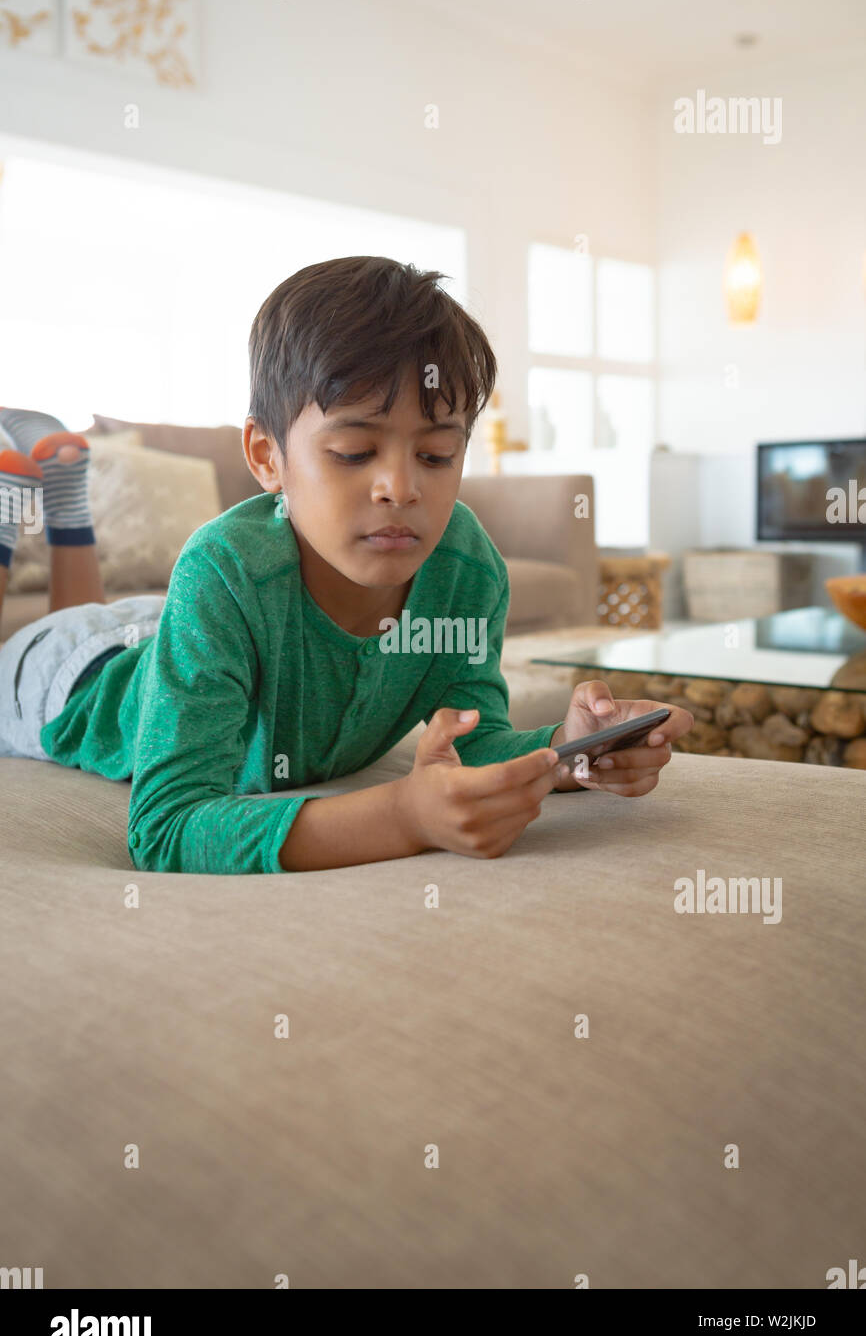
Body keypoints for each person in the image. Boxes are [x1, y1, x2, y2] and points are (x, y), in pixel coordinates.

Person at [0, 256, 693, 874]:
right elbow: (166, 826)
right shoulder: (222, 569)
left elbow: (474, 741)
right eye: (356, 452)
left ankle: (57, 505)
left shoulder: (466, 569)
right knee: (58, 633)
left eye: (435, 455)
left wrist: (568, 750)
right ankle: (44, 517)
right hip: (67, 674)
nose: (401, 487)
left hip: (180, 630)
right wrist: (402, 816)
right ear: (268, 458)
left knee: (162, 629)